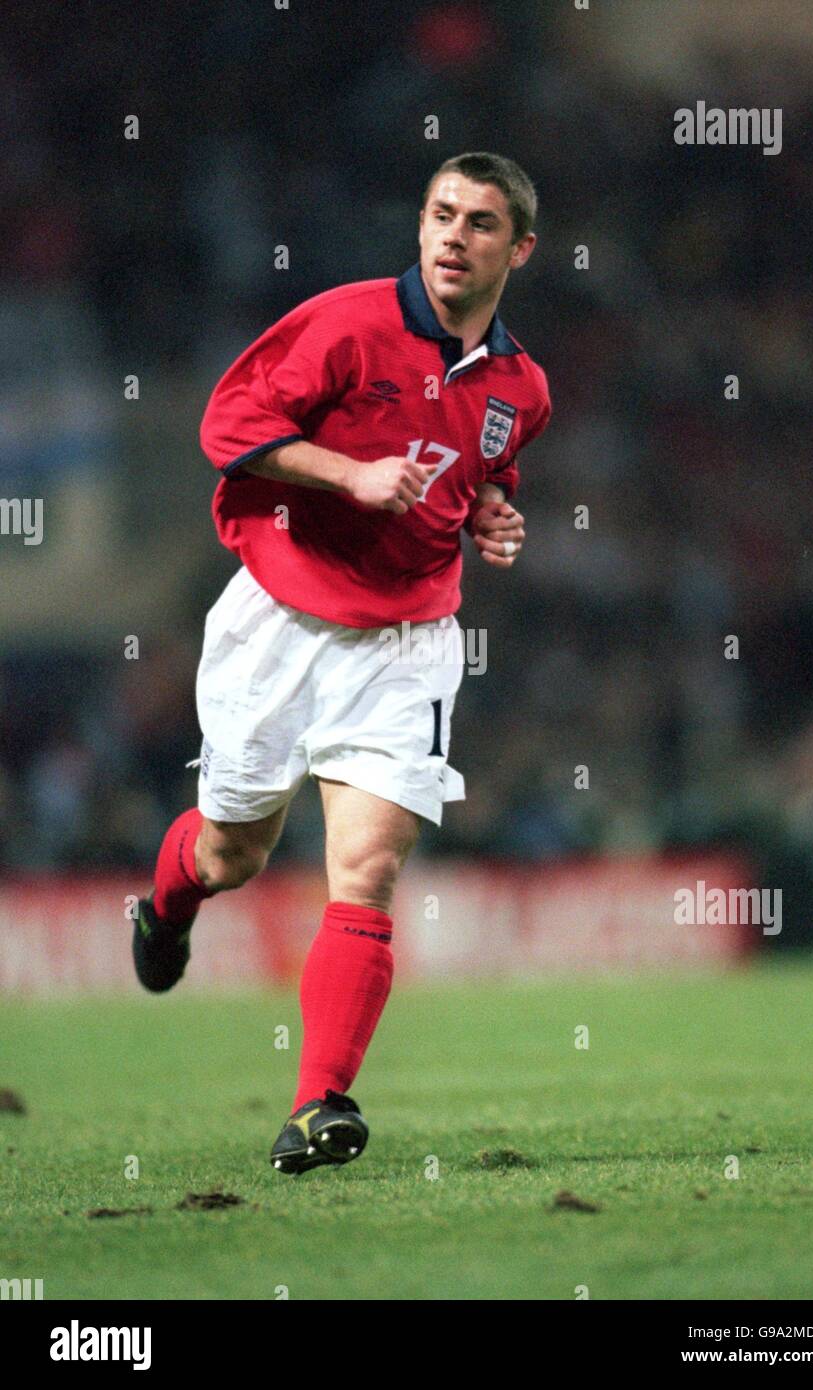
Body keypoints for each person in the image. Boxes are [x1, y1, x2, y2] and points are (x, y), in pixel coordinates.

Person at [132, 151, 551, 1176]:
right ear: (418, 227)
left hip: (405, 643)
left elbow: (476, 471)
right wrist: (346, 472)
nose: (455, 236)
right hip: (279, 618)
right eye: (441, 214)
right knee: (235, 855)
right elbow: (228, 425)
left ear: (519, 249)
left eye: (481, 223)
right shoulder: (346, 322)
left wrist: (491, 516)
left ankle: (319, 1104)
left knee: (364, 866)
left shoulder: (520, 388)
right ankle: (166, 904)